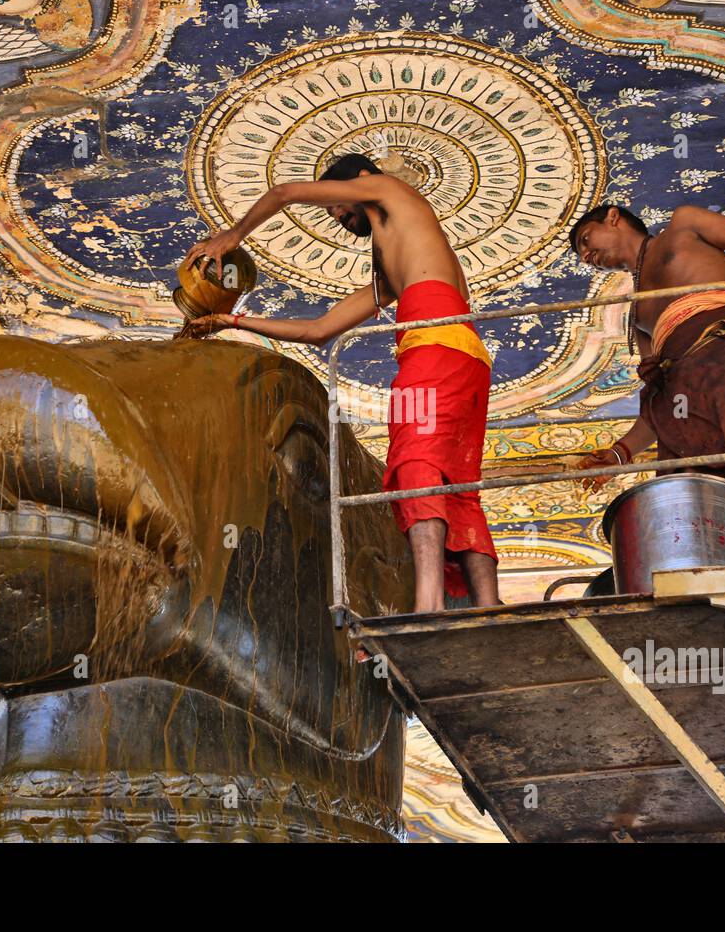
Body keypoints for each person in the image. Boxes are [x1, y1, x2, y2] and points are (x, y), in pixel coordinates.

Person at [176, 153, 500, 612]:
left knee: (413, 462)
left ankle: (430, 605)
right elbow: (321, 329)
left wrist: (233, 235)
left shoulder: (387, 188)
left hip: (432, 350)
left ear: (362, 178)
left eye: (339, 205)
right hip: (464, 356)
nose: (340, 216)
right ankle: (489, 606)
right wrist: (232, 321)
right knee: (457, 481)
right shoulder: (399, 263)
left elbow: (284, 193)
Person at [570, 203, 725, 562]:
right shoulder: (638, 313)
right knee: (685, 492)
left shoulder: (683, 225)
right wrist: (619, 454)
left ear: (613, 217)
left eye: (586, 240)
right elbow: (656, 399)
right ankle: (703, 588)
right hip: (678, 392)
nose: (586, 256)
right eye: (582, 255)